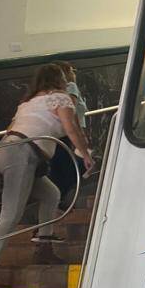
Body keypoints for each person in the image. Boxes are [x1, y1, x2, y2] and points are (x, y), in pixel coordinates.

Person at [0, 64, 94, 285]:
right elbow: (71, 127)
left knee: (51, 194)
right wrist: (85, 154)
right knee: (11, 214)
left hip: (9, 150)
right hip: (22, 152)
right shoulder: (60, 98)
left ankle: (44, 245)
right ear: (59, 79)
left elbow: (11, 128)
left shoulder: (28, 102)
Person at [49, 61, 89, 207]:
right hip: (69, 132)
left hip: (58, 133)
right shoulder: (70, 87)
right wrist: (80, 133)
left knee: (61, 165)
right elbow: (71, 109)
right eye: (72, 70)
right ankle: (63, 197)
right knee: (76, 162)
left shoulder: (51, 91)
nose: (74, 73)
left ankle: (61, 198)